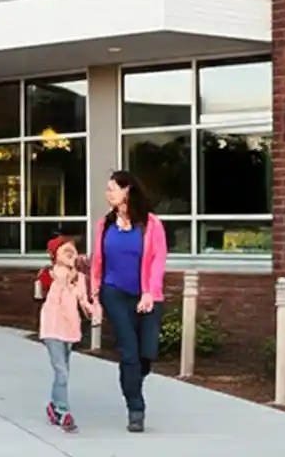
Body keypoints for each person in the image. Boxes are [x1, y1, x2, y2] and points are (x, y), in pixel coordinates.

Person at [89, 170, 167, 434]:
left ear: (127, 191)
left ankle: (131, 378)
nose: (107, 193)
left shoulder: (151, 224)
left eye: (112, 188)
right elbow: (97, 262)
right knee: (130, 352)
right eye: (108, 188)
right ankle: (136, 409)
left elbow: (158, 261)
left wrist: (149, 293)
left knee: (146, 355)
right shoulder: (105, 225)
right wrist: (95, 296)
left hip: (147, 296)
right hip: (115, 294)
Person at [39, 235, 96, 433]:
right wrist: (64, 278)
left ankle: (54, 406)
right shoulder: (51, 274)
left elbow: (82, 299)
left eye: (73, 250)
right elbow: (53, 293)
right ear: (55, 255)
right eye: (65, 250)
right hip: (53, 329)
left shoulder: (79, 277)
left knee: (64, 372)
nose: (71, 253)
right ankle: (63, 412)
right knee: (61, 372)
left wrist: (90, 308)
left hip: (70, 329)